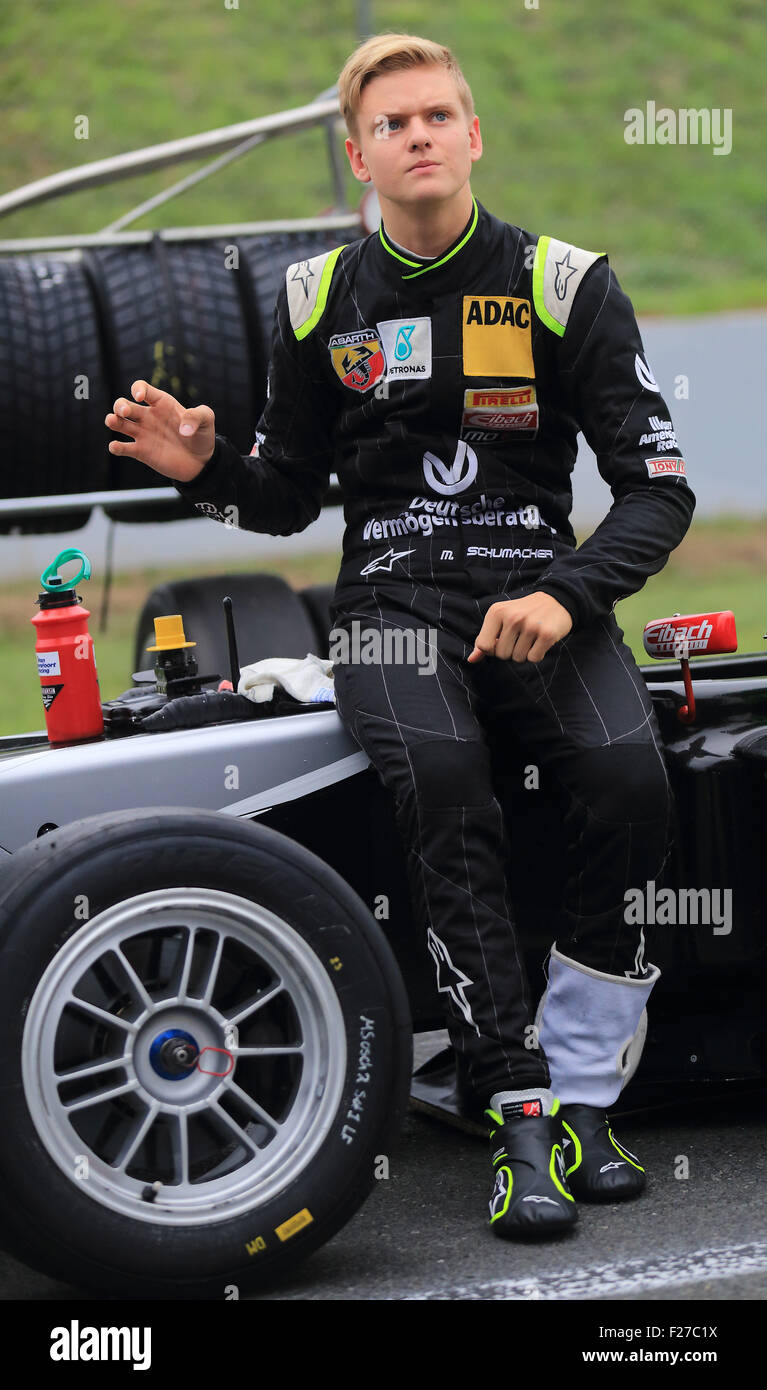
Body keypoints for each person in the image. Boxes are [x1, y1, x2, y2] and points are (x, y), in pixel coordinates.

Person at [105, 32, 695, 1240]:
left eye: (437, 115)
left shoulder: (563, 281)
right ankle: (513, 1110)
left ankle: (584, 1092)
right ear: (357, 154)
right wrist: (203, 470)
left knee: (632, 778)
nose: (417, 136)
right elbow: (281, 498)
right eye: (392, 124)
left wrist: (568, 593)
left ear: (473, 135)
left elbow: (657, 488)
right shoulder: (316, 298)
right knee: (443, 782)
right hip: (387, 608)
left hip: (535, 591)